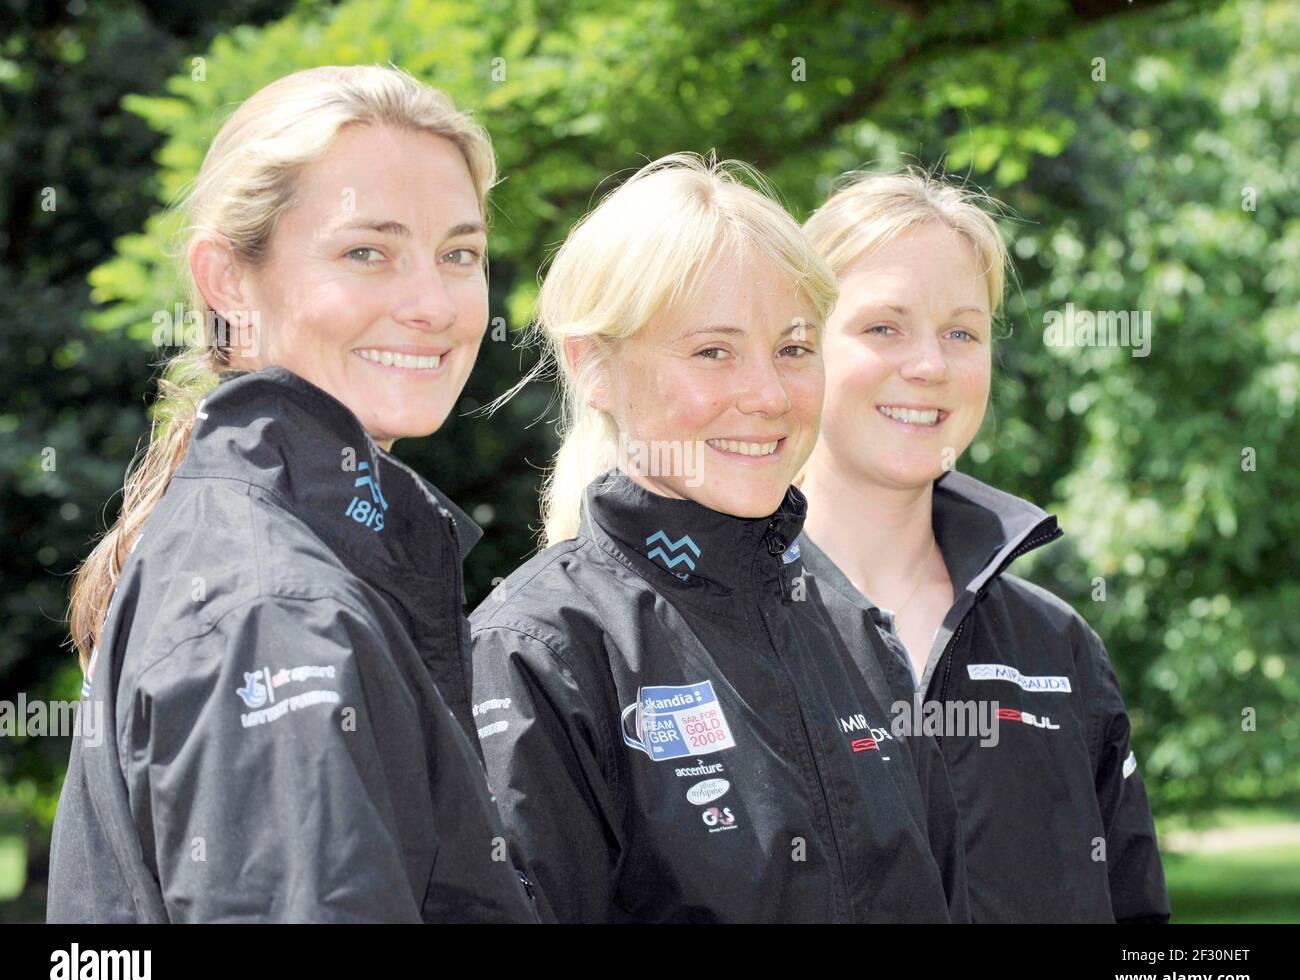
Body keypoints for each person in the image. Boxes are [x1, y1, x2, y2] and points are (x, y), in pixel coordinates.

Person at [49, 65, 538, 923]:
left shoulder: (311, 557)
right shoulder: (275, 610)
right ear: (229, 281)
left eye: (459, 253)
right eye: (367, 252)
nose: (433, 303)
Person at [468, 153, 968, 923]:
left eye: (794, 349)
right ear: (593, 365)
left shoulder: (854, 628)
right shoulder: (536, 653)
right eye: (713, 351)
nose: (767, 395)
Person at [795, 168, 1170, 922]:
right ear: (799, 345)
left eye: (962, 332)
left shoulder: (1055, 647)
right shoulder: (716, 634)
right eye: (883, 327)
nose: (930, 365)